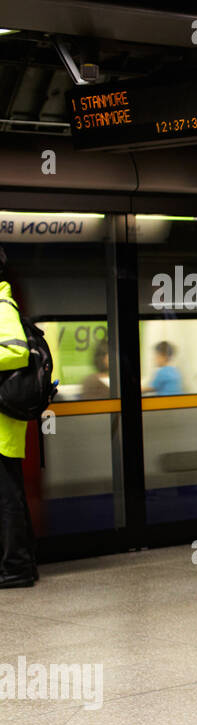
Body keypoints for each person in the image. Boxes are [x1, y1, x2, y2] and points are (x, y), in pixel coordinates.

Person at [0, 246, 37, 588]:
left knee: (7, 497)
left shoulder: (1, 303)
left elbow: (16, 352)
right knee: (10, 495)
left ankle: (16, 567)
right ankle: (21, 563)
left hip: (3, 425)